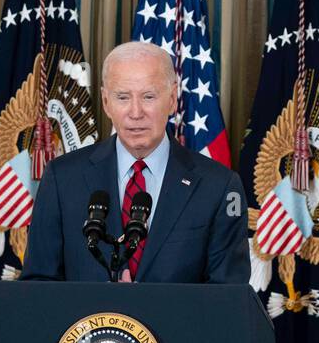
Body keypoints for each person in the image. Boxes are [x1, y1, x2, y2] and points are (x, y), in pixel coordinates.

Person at [20, 41, 249, 284]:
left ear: (172, 99)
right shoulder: (62, 178)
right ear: (106, 102)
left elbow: (228, 298)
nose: (136, 112)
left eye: (149, 96)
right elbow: (38, 286)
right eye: (122, 97)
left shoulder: (220, 186)